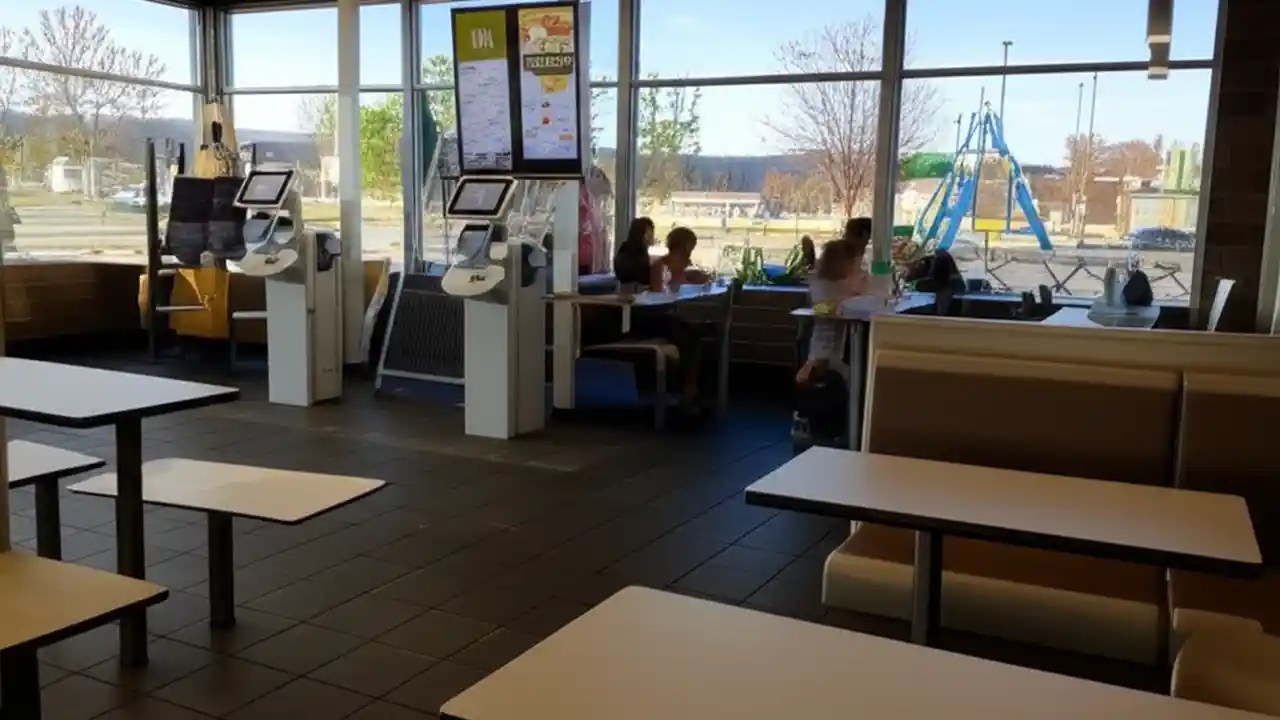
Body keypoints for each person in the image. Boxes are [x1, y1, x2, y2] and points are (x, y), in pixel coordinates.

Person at [795, 218, 872, 385]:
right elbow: (820, 308)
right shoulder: (827, 285)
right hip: (828, 348)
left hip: (836, 346)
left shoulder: (830, 282)